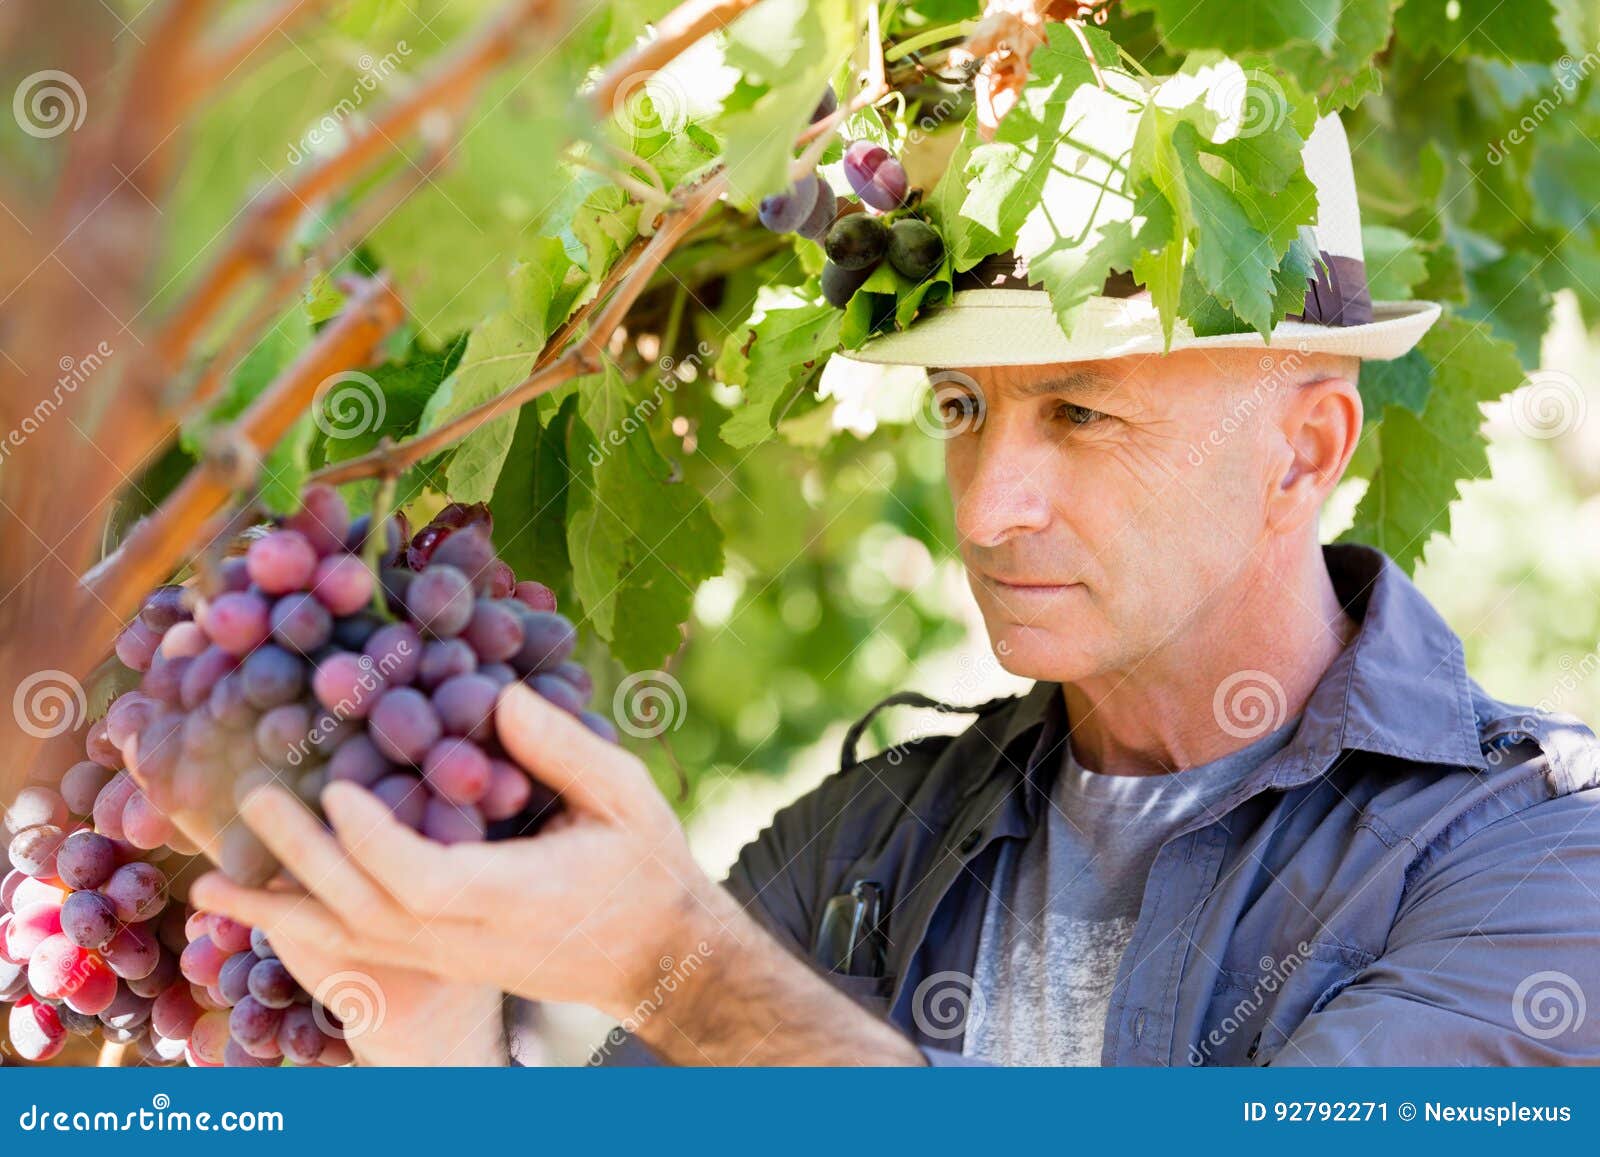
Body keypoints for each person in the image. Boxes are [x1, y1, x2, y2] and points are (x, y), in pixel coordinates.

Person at [191, 115, 1600, 1067]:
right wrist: (431, 1030)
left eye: (1082, 415)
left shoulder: (1540, 855)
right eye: (962, 409)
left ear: (1306, 449)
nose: (987, 506)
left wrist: (681, 967)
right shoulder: (856, 844)